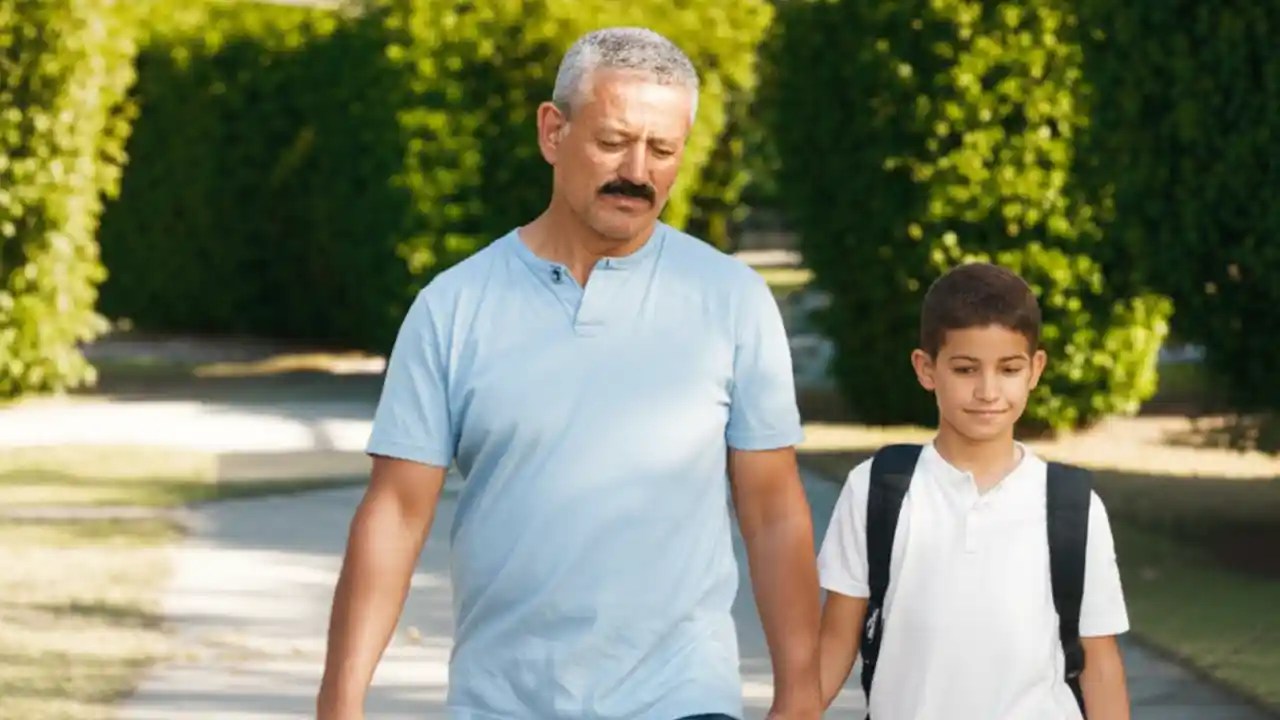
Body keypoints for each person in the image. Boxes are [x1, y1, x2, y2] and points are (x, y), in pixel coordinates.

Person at [316, 26, 823, 720]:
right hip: (502, 703)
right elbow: (396, 513)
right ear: (553, 131)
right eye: (613, 142)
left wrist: (801, 695)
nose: (638, 172)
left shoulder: (731, 301)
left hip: (681, 697)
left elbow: (772, 511)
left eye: (662, 150)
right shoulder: (454, 307)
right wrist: (339, 703)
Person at [815, 262, 1132, 719]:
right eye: (965, 369)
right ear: (927, 369)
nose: (988, 390)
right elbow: (835, 642)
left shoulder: (1072, 507)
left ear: (1035, 369)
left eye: (1008, 369)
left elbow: (1099, 664)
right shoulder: (877, 489)